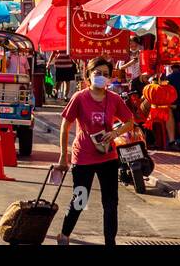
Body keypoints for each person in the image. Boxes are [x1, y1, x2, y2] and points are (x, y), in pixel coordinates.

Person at [55, 57, 136, 246]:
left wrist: (115, 132)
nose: (102, 77)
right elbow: (65, 126)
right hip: (83, 157)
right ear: (88, 76)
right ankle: (64, 234)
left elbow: (130, 122)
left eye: (106, 74)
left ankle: (110, 241)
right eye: (97, 73)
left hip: (108, 157)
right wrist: (63, 156)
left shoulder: (114, 99)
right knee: (80, 199)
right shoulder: (79, 98)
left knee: (110, 203)